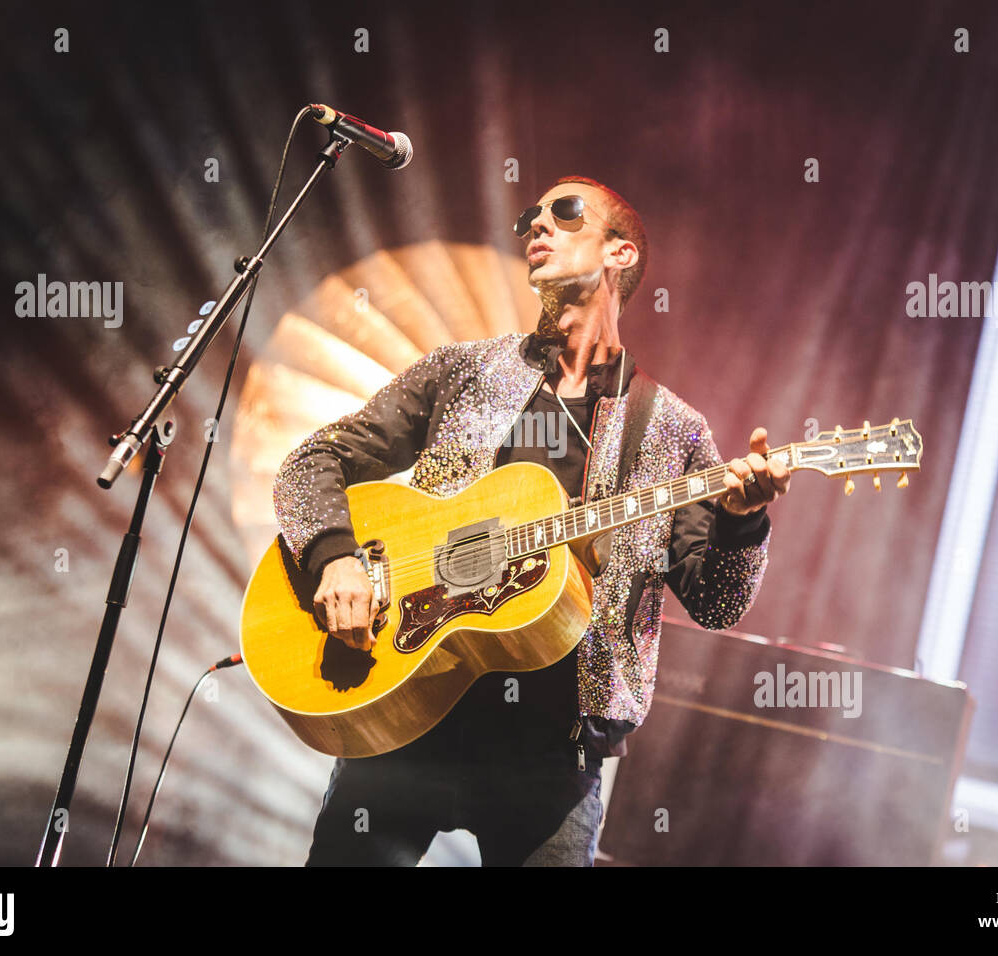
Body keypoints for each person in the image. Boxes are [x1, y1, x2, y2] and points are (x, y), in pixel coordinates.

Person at [273, 176, 791, 865]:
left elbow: (718, 601)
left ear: (621, 255)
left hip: (551, 758)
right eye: (529, 216)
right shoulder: (464, 371)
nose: (535, 226)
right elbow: (315, 460)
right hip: (409, 712)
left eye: (564, 212)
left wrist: (742, 523)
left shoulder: (672, 431)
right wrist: (336, 556)